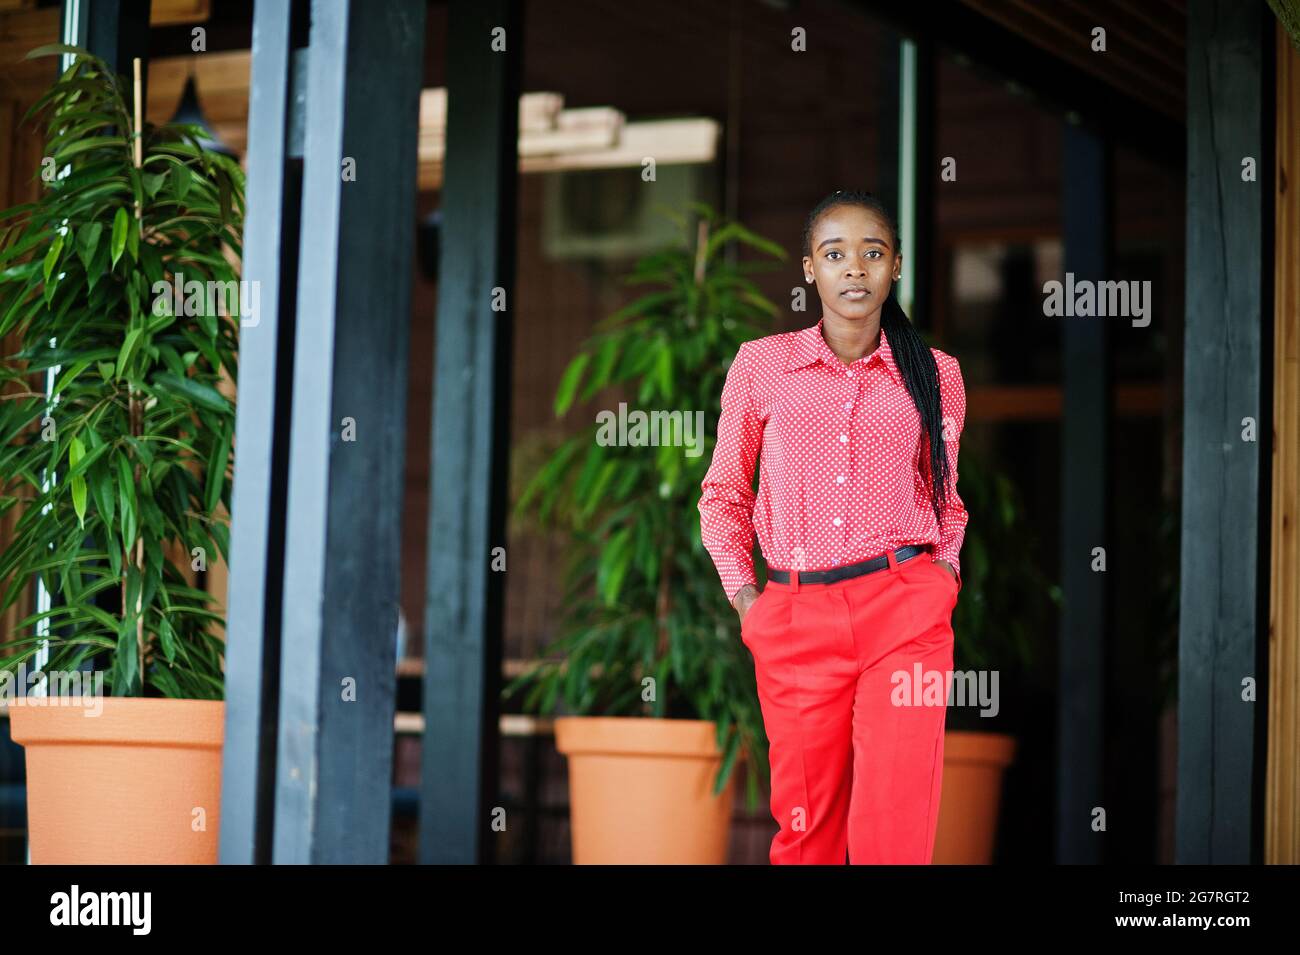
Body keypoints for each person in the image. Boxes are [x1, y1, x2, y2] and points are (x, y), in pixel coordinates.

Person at [698, 189, 968, 865]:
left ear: (896, 266)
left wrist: (945, 575)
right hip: (793, 614)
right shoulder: (762, 365)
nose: (855, 268)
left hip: (905, 608)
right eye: (835, 253)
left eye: (872, 252)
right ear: (809, 268)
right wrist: (748, 601)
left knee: (895, 829)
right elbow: (723, 495)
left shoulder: (937, 374)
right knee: (806, 830)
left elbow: (947, 500)